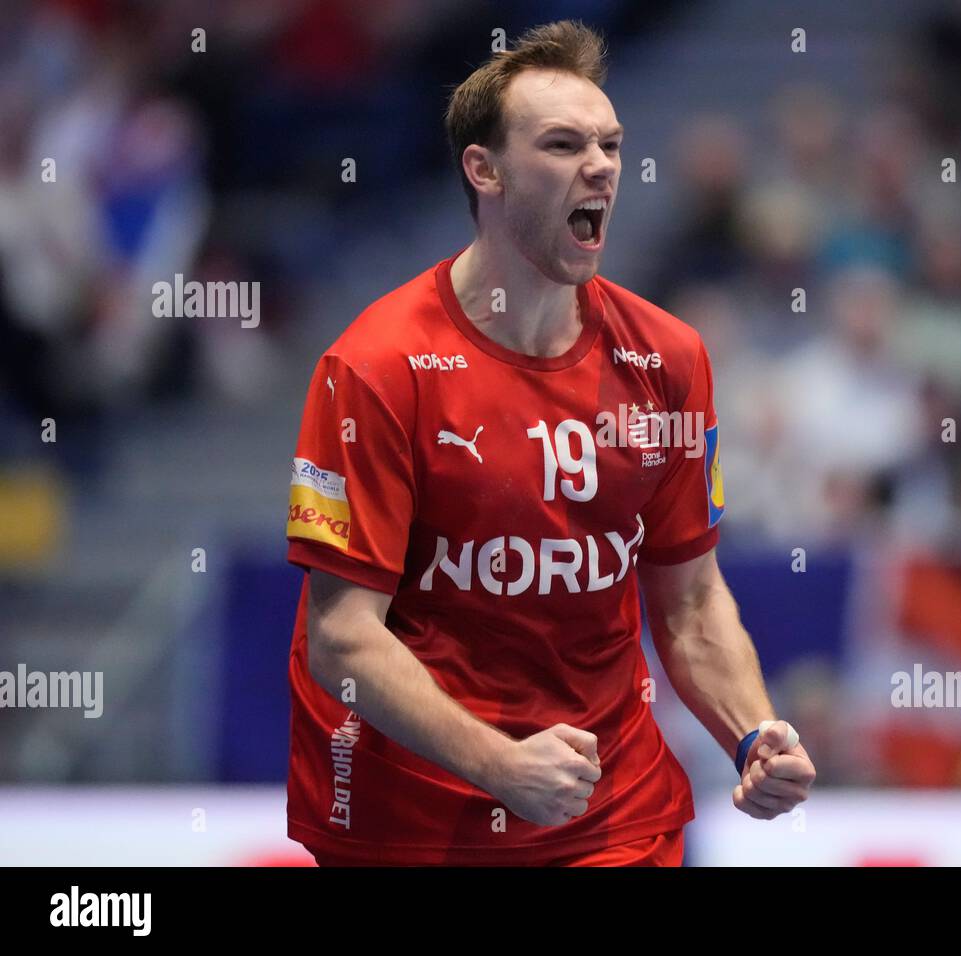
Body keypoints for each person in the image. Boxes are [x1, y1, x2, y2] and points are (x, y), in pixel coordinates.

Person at [283, 20, 815, 866]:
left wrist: (755, 732)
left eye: (609, 144)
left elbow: (691, 600)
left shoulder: (668, 358)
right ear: (483, 170)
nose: (601, 165)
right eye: (564, 144)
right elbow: (342, 638)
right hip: (410, 815)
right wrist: (500, 765)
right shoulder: (377, 366)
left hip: (608, 809)